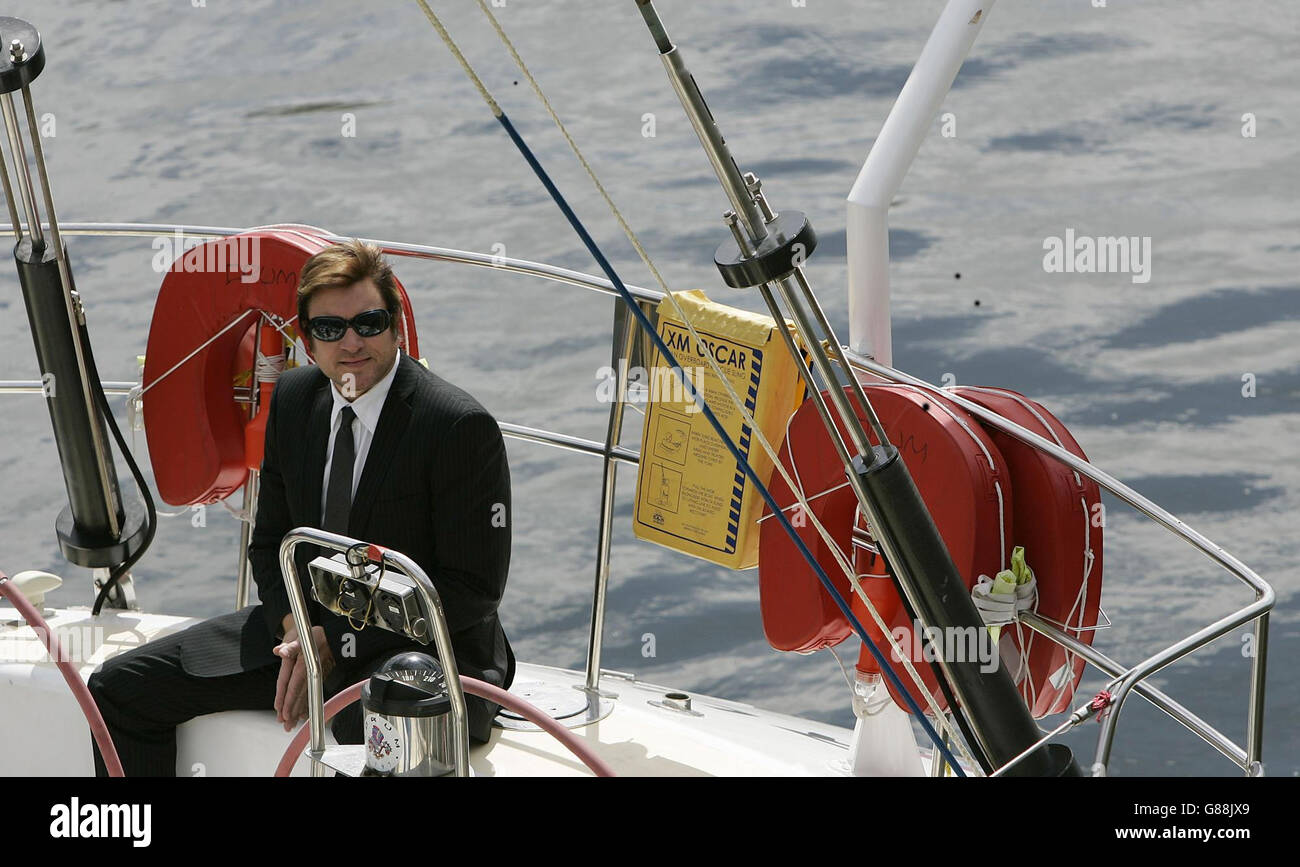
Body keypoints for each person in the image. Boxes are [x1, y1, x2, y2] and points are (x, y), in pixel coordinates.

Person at [87, 239, 514, 776]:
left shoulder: (456, 427)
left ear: (396, 325)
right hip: (304, 632)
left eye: (369, 322)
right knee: (118, 689)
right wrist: (295, 628)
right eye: (331, 329)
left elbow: (471, 591)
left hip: (428, 653)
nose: (352, 341)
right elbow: (268, 544)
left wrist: (334, 640)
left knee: (367, 727)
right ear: (308, 340)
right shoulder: (292, 399)